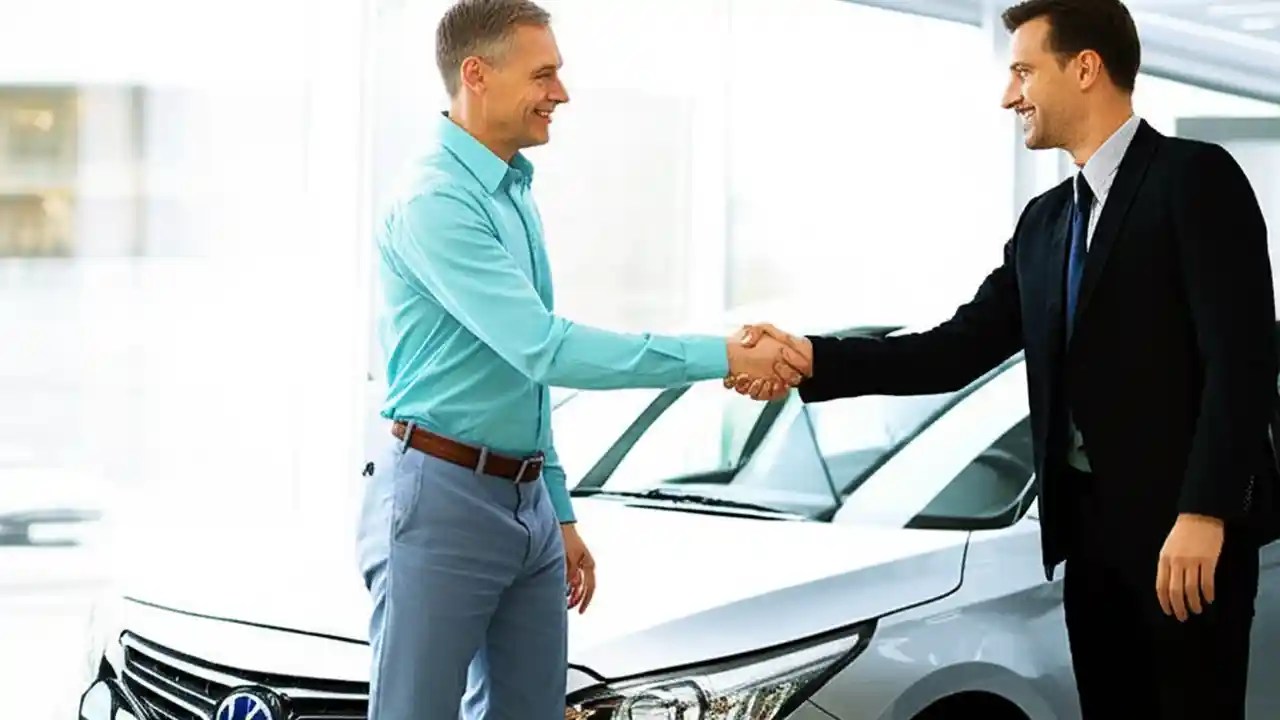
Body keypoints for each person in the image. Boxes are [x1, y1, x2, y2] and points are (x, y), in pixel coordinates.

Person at [728, 1, 1278, 717]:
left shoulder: (1195, 179)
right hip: (1089, 547)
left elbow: (1241, 357)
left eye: (1022, 70)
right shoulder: (1046, 221)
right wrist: (811, 359)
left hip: (1184, 543)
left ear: (1085, 69)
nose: (1008, 94)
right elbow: (956, 350)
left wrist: (1204, 513)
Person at [355, 1, 802, 718]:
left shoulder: (513, 190)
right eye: (545, 73)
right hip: (440, 498)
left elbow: (518, 375)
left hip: (524, 503)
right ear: (477, 74)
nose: (560, 92)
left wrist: (555, 508)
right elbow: (546, 346)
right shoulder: (435, 199)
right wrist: (723, 355)